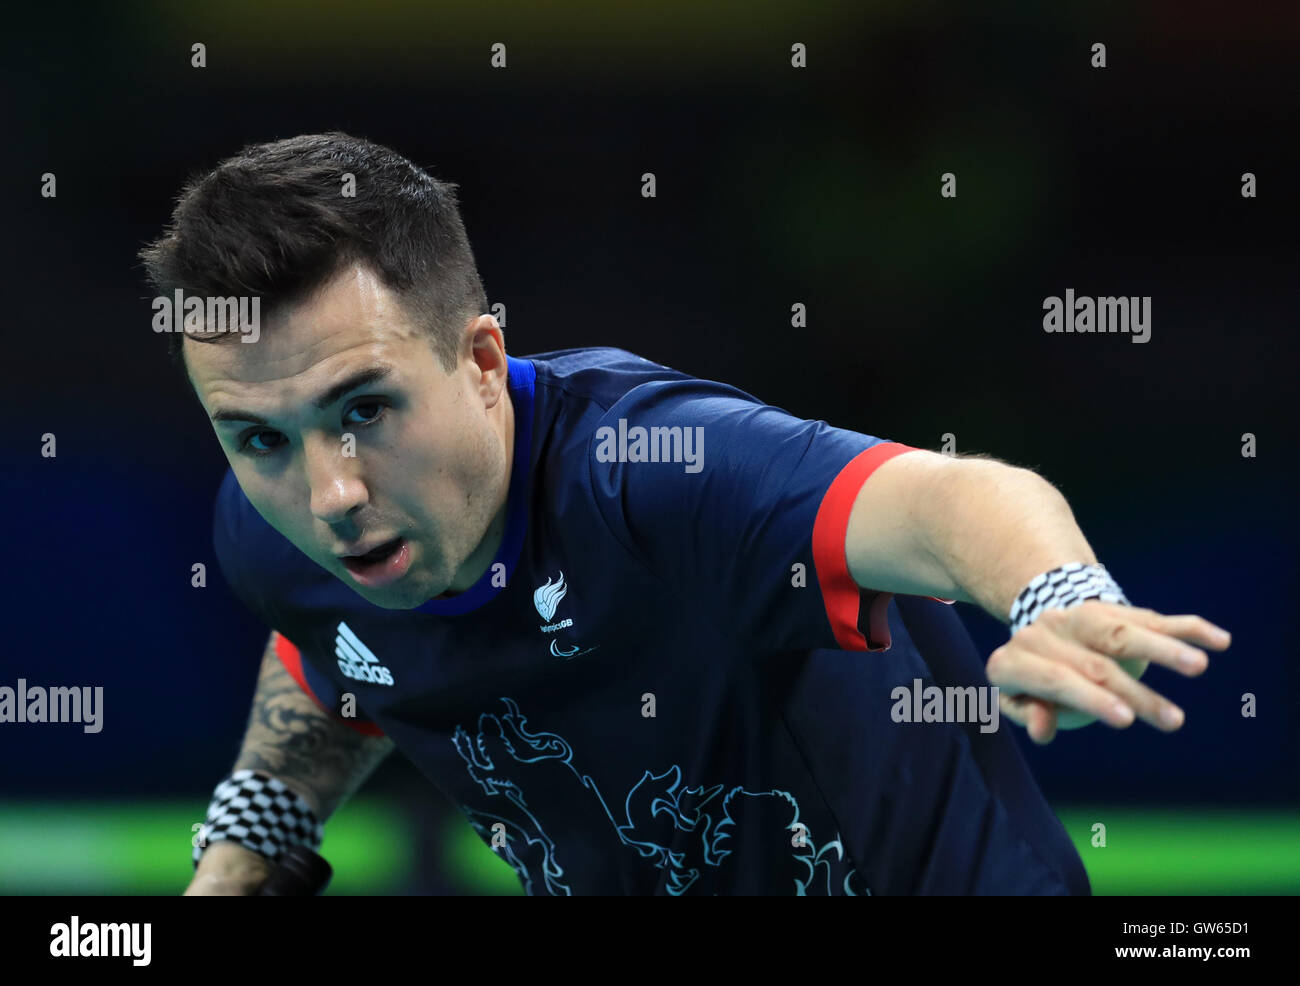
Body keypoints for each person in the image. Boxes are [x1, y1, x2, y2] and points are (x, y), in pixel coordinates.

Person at [140, 132, 1230, 895]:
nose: (330, 495)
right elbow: (324, 637)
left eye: (366, 408)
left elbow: (959, 496)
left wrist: (1060, 596)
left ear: (480, 360)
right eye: (260, 437)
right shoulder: (271, 525)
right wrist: (249, 841)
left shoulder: (655, 468)